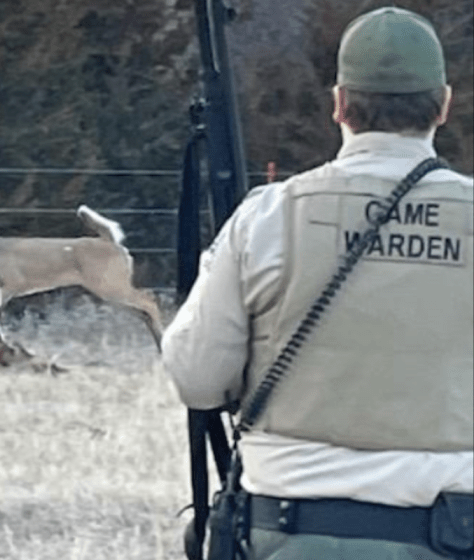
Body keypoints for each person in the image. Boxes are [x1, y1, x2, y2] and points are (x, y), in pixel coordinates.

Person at [162, 6, 473, 560]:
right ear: (444, 105)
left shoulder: (269, 216)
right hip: (452, 533)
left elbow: (198, 378)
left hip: (288, 530)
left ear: (340, 105)